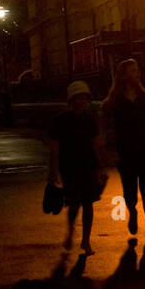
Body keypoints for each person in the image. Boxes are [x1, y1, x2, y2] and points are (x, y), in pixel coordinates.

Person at [101, 58, 145, 243]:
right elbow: (105, 126)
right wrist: (106, 151)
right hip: (126, 152)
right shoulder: (115, 101)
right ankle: (132, 211)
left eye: (136, 69)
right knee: (129, 191)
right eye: (132, 70)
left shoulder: (144, 99)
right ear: (123, 75)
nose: (136, 73)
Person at [48, 81, 105, 255]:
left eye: (84, 98)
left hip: (88, 165)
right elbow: (55, 147)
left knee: (88, 203)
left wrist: (100, 166)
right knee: (74, 204)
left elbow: (95, 144)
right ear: (71, 99)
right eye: (78, 97)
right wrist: (53, 169)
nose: (81, 101)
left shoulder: (89, 119)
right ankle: (72, 232)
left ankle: (85, 240)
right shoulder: (61, 120)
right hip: (70, 166)